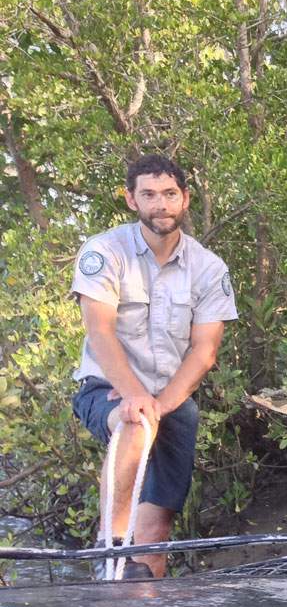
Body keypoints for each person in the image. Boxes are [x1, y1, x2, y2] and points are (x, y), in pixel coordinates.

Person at [70, 154, 237, 579]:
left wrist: (160, 403)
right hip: (107, 389)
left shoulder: (208, 267)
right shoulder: (104, 251)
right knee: (135, 426)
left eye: (168, 194)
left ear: (184, 200)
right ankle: (109, 553)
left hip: (172, 400)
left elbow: (204, 351)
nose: (159, 204)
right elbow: (100, 332)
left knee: (157, 534)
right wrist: (135, 396)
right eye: (148, 195)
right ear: (131, 200)